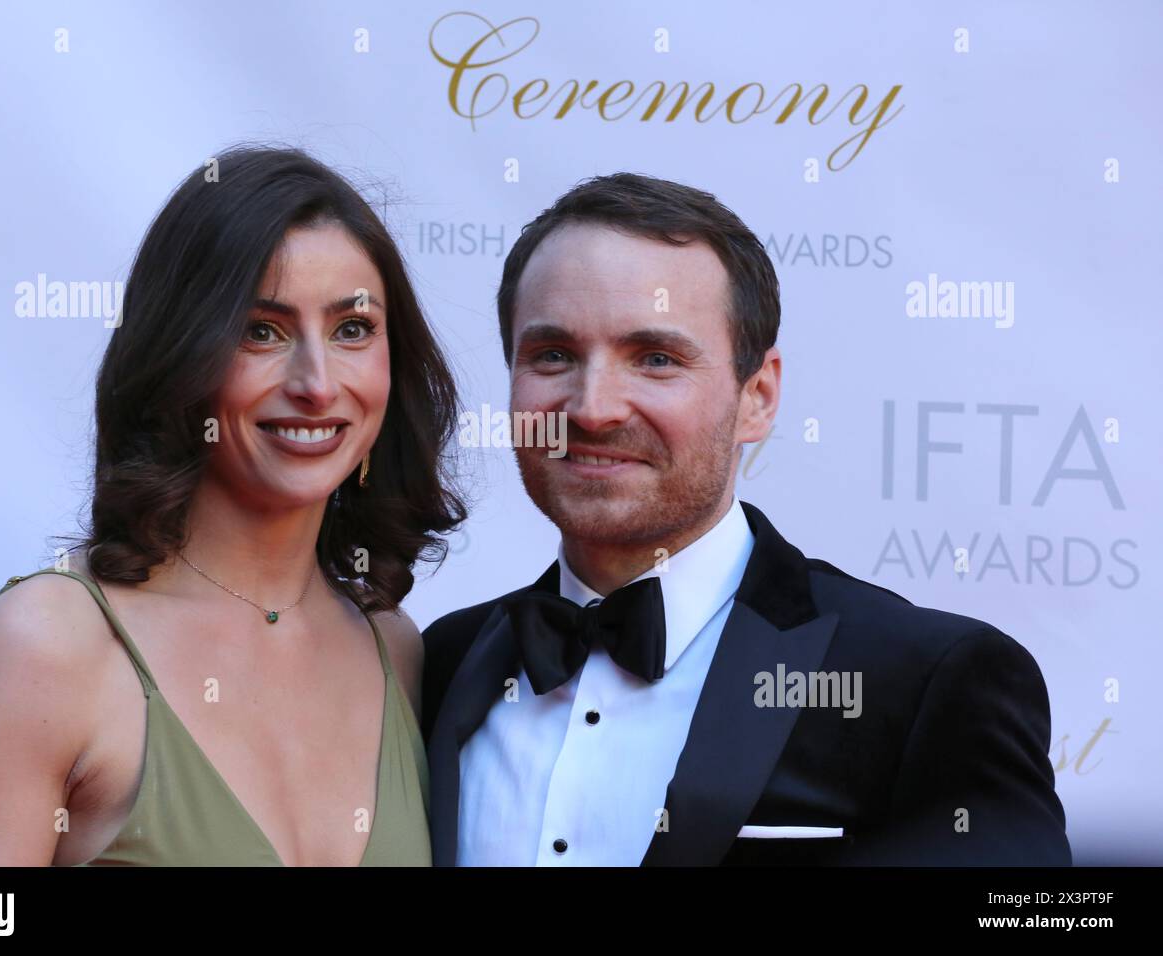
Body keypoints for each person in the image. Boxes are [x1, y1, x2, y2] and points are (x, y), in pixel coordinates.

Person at [421, 172, 1071, 866]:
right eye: (553, 355)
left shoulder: (926, 681)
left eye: (656, 359)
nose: (593, 408)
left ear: (757, 396)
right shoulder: (441, 665)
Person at [0, 146, 465, 866]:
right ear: (182, 353)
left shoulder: (393, 647)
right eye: (260, 331)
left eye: (352, 329)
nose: (316, 382)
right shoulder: (45, 647)